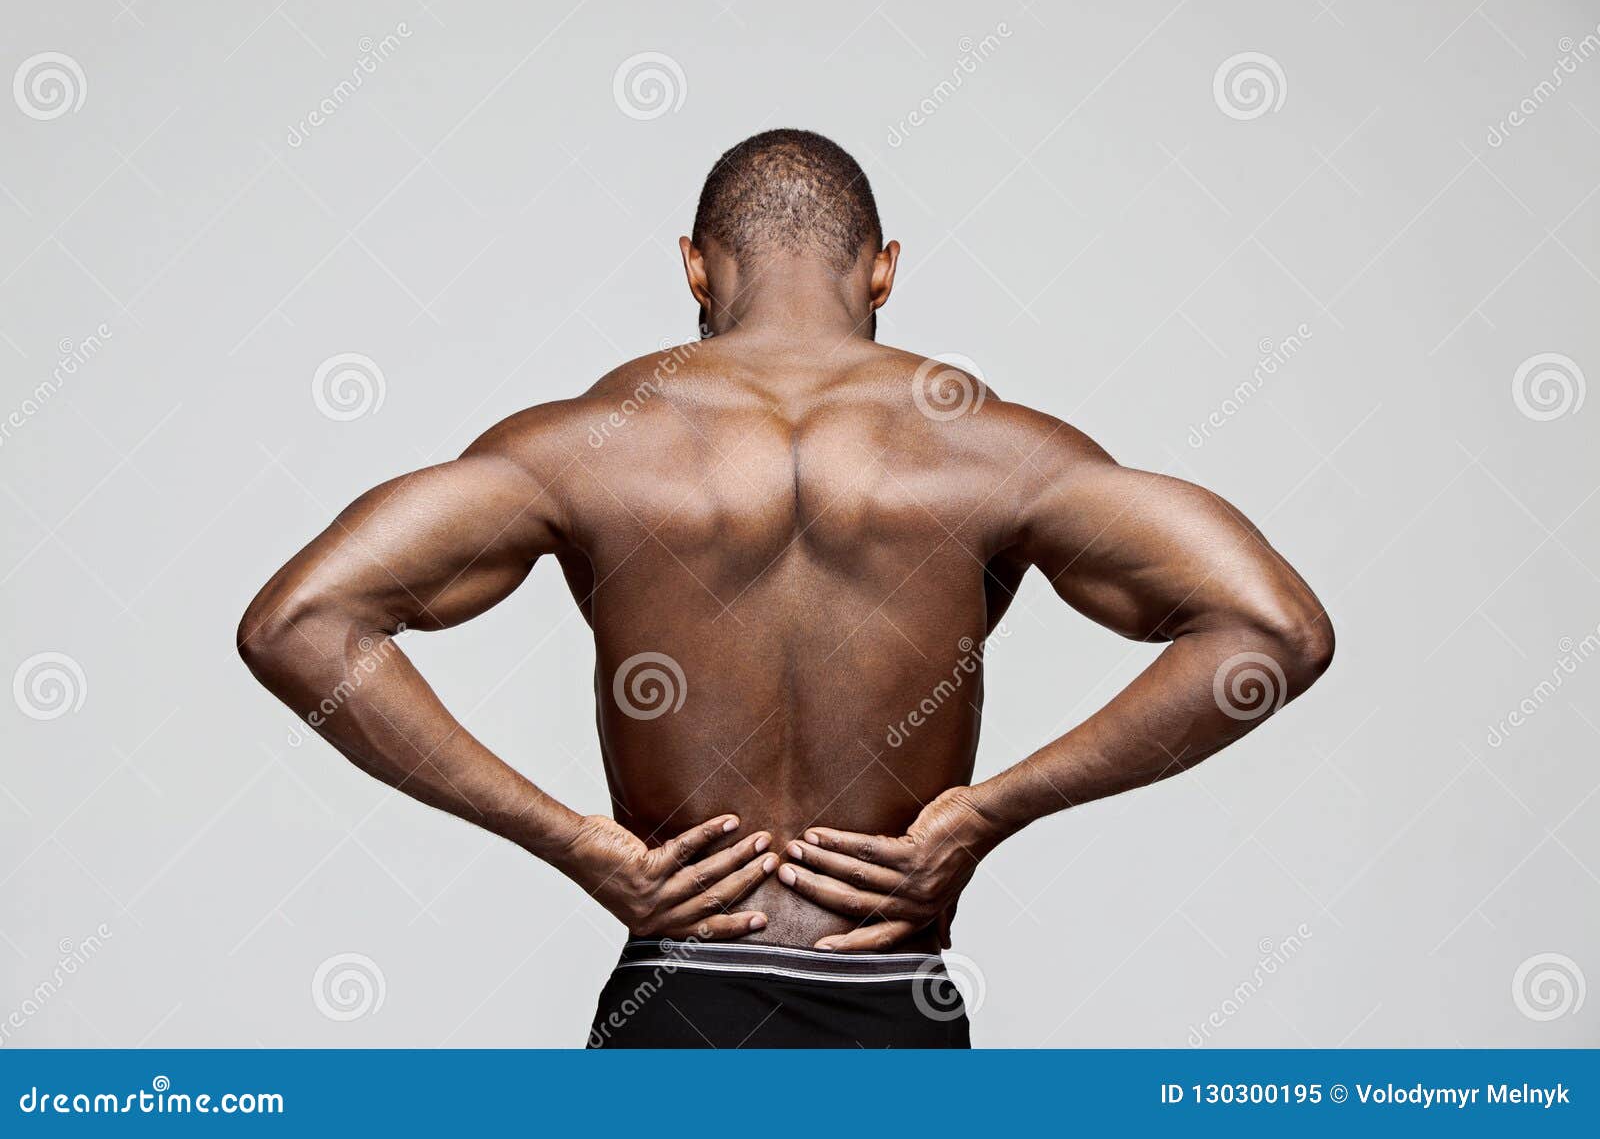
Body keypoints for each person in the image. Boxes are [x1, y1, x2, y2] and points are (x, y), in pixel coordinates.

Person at [237, 128, 1333, 1048]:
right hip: (894, 994)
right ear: (884, 269)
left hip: (678, 997)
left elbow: (298, 622)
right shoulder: (992, 450)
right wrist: (987, 812)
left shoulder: (587, 445)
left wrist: (567, 836)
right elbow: (1274, 630)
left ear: (696, 269)